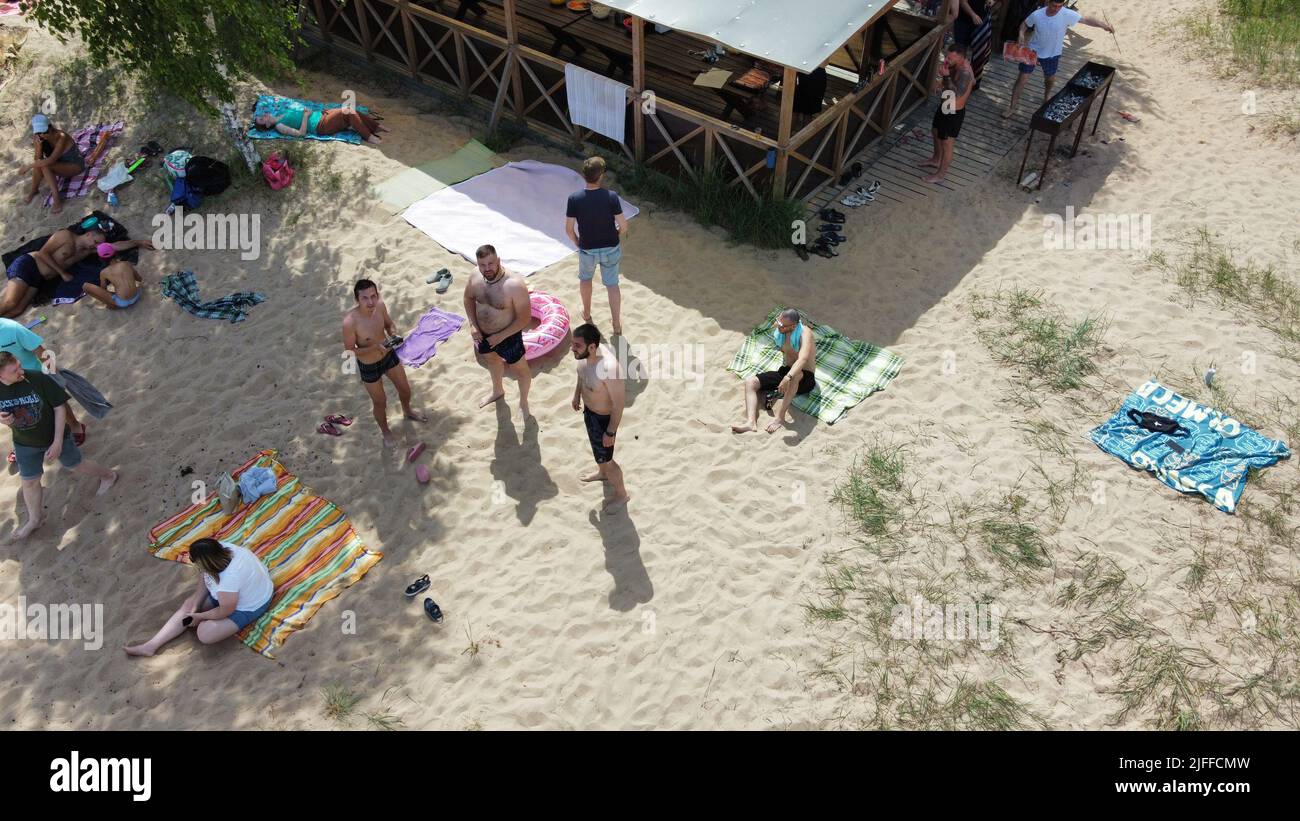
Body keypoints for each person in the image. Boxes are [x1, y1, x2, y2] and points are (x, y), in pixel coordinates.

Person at [0, 351, 116, 541]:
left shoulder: (37, 378)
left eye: (20, 365)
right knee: (29, 481)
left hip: (54, 435)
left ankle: (109, 475)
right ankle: (35, 519)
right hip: (24, 442)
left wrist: (57, 441)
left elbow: (59, 407)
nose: (21, 371)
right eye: (14, 370)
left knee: (75, 465)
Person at [125, 538, 274, 657]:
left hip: (251, 604)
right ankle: (151, 646)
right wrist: (196, 605)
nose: (191, 560)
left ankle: (196, 621)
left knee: (204, 633)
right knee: (189, 605)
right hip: (232, 595)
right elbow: (206, 576)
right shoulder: (218, 551)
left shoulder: (229, 580)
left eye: (192, 559)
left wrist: (200, 616)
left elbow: (226, 610)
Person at [342, 279, 427, 448]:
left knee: (405, 389)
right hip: (369, 365)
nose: (371, 301)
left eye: (373, 296)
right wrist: (374, 347)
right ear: (357, 300)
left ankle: (407, 410)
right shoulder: (350, 322)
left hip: (388, 355)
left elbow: (389, 324)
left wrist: (393, 333)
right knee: (380, 402)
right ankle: (386, 431)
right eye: (365, 298)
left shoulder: (380, 306)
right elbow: (350, 351)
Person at [1, 228, 154, 318]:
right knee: (10, 303)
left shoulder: (88, 249)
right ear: (88, 234)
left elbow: (114, 246)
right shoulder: (65, 236)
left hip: (38, 279)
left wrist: (138, 242)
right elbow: (42, 254)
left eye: (99, 244)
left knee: (18, 309)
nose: (98, 246)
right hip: (28, 265)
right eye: (96, 242)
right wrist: (62, 273)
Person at [1003, 0, 1115, 118]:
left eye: (1059, 6)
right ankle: (1012, 107)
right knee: (1022, 79)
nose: (1056, 9)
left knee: (1049, 79)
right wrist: (1021, 33)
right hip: (1033, 51)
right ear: (1048, 2)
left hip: (1052, 54)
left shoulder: (1066, 13)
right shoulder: (1037, 14)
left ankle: (1047, 96)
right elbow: (1024, 24)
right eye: (1054, 6)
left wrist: (1104, 25)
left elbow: (1086, 19)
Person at [463, 245, 533, 416]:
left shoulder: (513, 285)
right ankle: (498, 391)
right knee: (492, 362)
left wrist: (500, 336)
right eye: (482, 265)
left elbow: (524, 318)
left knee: (520, 371)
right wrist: (473, 325)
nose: (487, 269)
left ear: (499, 261)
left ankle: (523, 402)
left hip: (508, 335)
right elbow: (468, 298)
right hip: (482, 333)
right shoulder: (475, 276)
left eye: (490, 264)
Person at [565, 156, 628, 335]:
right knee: (612, 284)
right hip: (610, 247)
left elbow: (569, 229)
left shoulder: (574, 199)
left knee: (585, 280)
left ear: (584, 175)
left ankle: (586, 313)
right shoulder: (611, 197)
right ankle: (616, 324)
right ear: (601, 175)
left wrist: (577, 241)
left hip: (587, 249)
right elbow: (623, 226)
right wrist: (616, 234)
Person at [570, 323, 629, 513]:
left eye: (577, 345)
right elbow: (581, 375)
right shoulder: (583, 357)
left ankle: (621, 495)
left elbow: (619, 404)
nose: (573, 349)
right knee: (599, 454)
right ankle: (602, 473)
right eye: (573, 344)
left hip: (604, 421)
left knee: (609, 460)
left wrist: (610, 432)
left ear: (592, 347)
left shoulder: (609, 369)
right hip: (589, 413)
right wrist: (577, 394)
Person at [0, 317, 87, 445]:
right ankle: (23, 440)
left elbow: (39, 350)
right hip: (4, 382)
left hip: (32, 375)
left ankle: (75, 425)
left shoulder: (12, 328)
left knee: (56, 400)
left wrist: (54, 375)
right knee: (9, 412)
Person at [732, 309, 817, 434]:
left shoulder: (805, 333)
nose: (778, 326)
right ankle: (751, 422)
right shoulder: (781, 331)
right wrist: (779, 325)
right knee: (751, 382)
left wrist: (787, 378)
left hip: (805, 378)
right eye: (778, 321)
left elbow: (803, 359)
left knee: (795, 374)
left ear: (793, 326)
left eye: (782, 325)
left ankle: (780, 417)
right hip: (786, 371)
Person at [922, 44, 975, 184]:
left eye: (950, 58)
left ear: (961, 58)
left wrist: (945, 78)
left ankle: (940, 175)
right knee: (935, 131)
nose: (947, 59)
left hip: (954, 110)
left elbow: (957, 94)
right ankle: (936, 159)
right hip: (946, 104)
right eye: (946, 56)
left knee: (947, 143)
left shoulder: (965, 72)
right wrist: (940, 83)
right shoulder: (955, 64)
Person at [19, 114, 84, 214]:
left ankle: (56, 198)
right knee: (40, 164)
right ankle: (34, 190)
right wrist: (39, 147)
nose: (43, 134)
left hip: (75, 166)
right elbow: (37, 159)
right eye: (39, 132)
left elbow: (51, 160)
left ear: (50, 127)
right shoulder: (39, 138)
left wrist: (28, 166)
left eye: (45, 131)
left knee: (44, 164)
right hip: (59, 166)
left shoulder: (61, 136)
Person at [253, 105, 389, 144]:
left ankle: (376, 127)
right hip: (320, 125)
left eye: (262, 116)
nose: (264, 116)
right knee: (348, 111)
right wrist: (306, 116)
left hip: (322, 115)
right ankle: (369, 136)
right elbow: (301, 134)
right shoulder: (279, 126)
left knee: (352, 111)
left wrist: (309, 112)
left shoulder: (281, 111)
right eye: (262, 120)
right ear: (266, 126)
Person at [81, 243, 143, 310]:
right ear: (115, 254)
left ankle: (111, 306)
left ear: (101, 259)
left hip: (123, 302)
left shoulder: (104, 272)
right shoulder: (126, 263)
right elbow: (139, 278)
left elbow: (104, 289)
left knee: (85, 286)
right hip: (136, 295)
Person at [953, 0, 998, 88]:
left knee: (979, 53)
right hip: (963, 20)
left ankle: (973, 81)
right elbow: (963, 2)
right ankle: (956, 79)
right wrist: (973, 15)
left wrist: (992, 1)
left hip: (981, 20)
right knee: (960, 50)